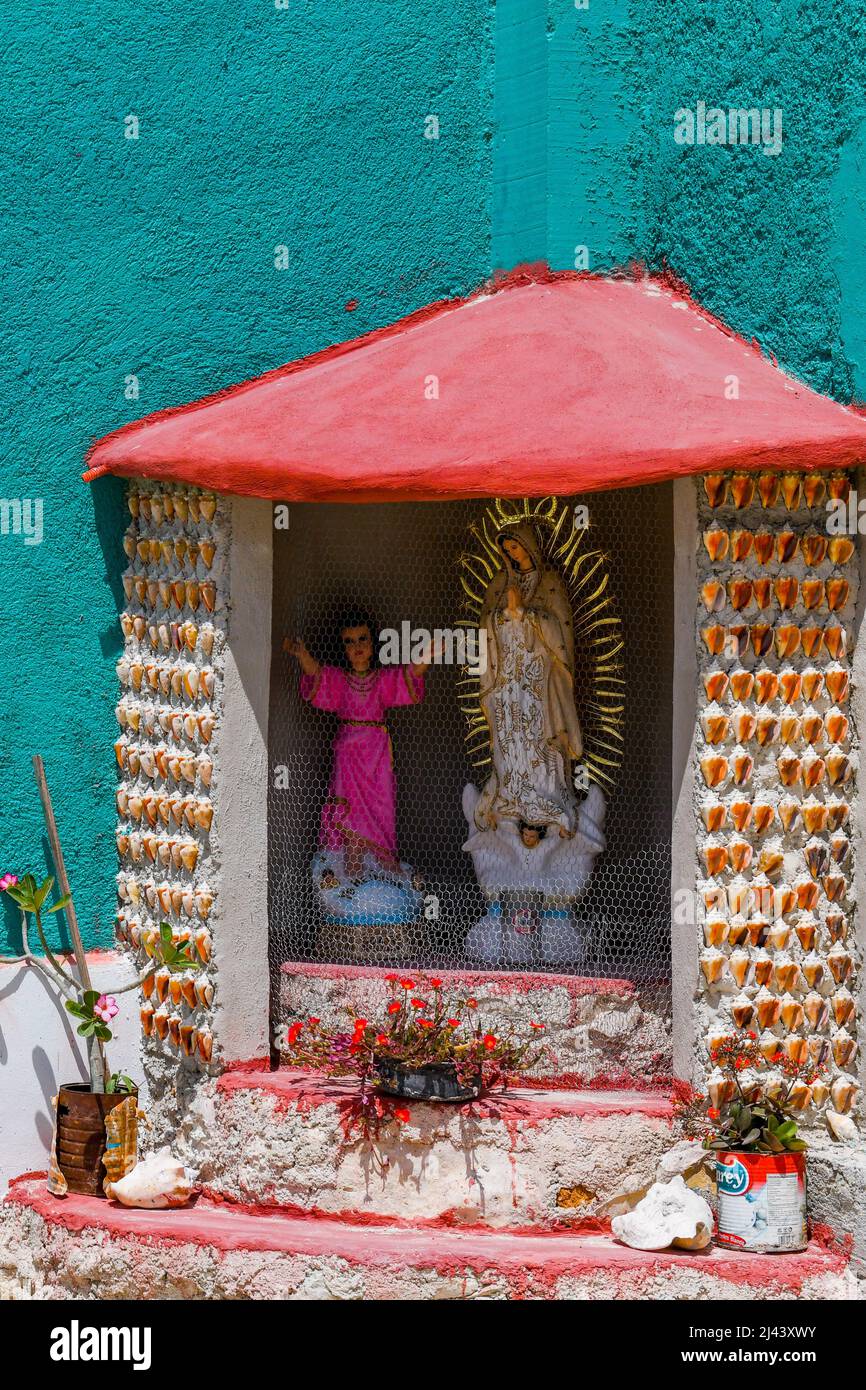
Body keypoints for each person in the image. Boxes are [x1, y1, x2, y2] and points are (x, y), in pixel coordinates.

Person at [284, 614, 431, 882]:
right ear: (342, 648)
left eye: (363, 638)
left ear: (374, 643)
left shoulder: (381, 680)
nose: (357, 646)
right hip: (349, 756)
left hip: (377, 756)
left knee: (382, 809)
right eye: (349, 641)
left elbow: (407, 676)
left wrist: (429, 654)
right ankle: (352, 880)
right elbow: (317, 674)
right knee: (350, 816)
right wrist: (302, 654)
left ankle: (383, 877)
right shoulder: (340, 680)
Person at [474, 521, 583, 836]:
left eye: (516, 546)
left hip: (538, 678)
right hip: (508, 674)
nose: (512, 552)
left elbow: (560, 630)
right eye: (507, 549)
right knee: (511, 736)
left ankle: (547, 797)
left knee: (538, 736)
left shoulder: (549, 583)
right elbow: (485, 628)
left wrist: (526, 614)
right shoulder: (499, 583)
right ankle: (512, 795)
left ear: (529, 545)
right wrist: (503, 616)